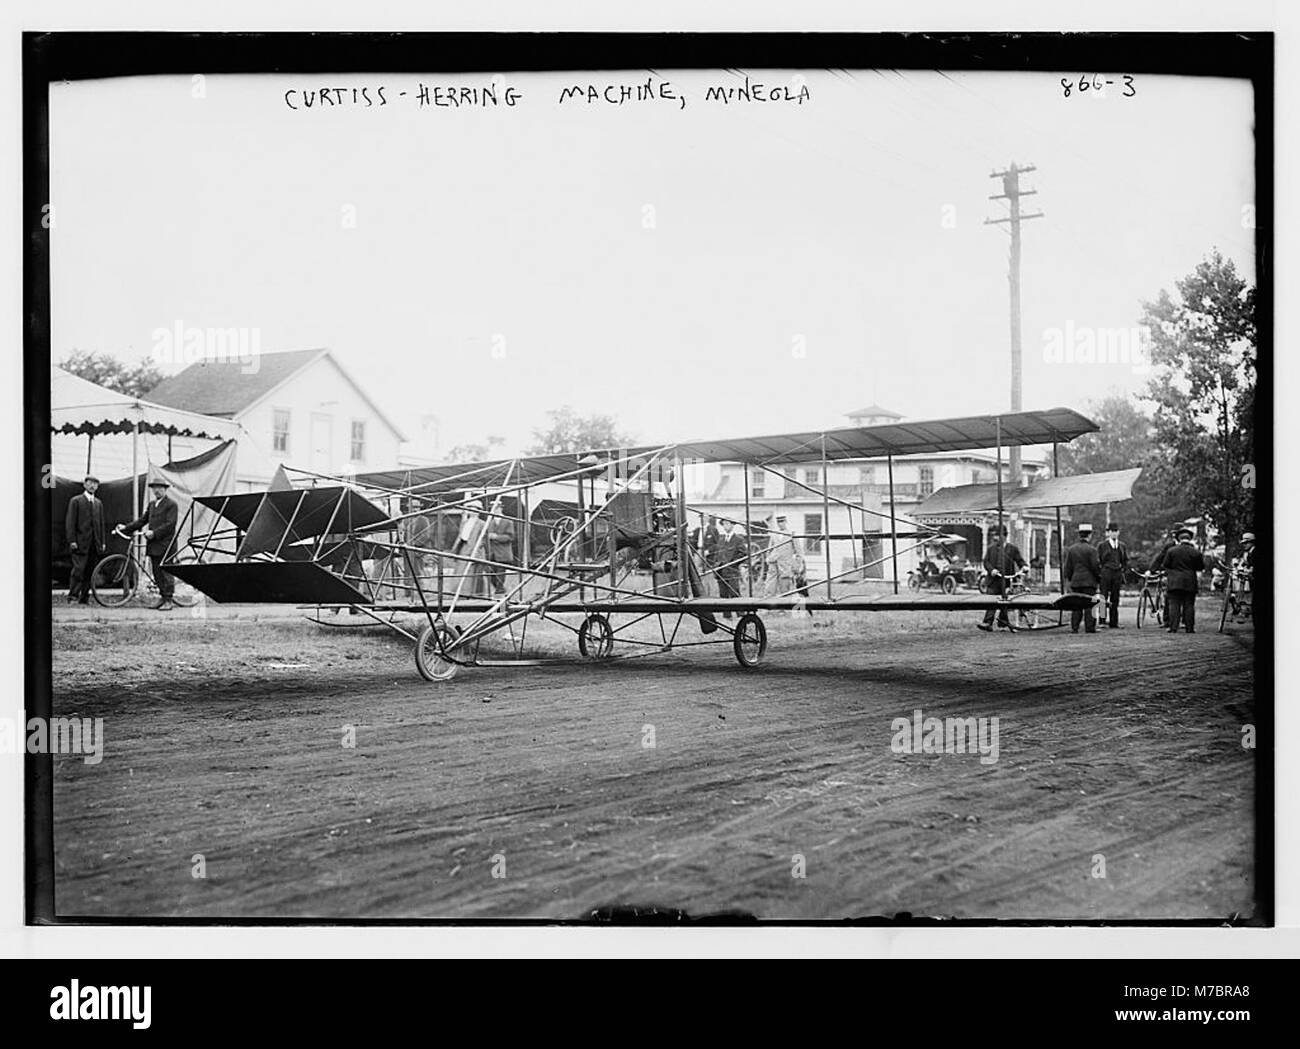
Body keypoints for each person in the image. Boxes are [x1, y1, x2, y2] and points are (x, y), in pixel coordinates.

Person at [118, 478, 179, 611]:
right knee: (156, 572)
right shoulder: (152, 505)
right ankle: (162, 597)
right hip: (154, 545)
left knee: (166, 572)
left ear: (165, 489)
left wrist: (154, 533)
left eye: (160, 488)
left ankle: (168, 600)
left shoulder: (171, 504)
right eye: (155, 488)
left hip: (166, 544)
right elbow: (141, 521)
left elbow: (170, 524)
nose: (157, 490)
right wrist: (126, 528)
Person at [1153, 526, 1204, 633]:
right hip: (1190, 581)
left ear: (1179, 539)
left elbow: (1166, 564)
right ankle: (1189, 628)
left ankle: (1173, 627)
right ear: (1189, 539)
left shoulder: (1172, 551)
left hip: (1175, 581)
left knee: (1174, 604)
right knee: (1189, 604)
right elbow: (1200, 567)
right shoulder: (1196, 552)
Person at [65, 475, 106, 604]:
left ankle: (84, 598)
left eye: (95, 484)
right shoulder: (76, 501)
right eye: (90, 483)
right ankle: (73, 596)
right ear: (84, 485)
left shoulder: (98, 503)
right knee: (78, 570)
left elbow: (101, 524)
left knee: (90, 572)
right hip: (80, 543)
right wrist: (72, 540)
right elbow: (70, 522)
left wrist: (102, 542)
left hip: (94, 544)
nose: (93, 486)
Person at [977, 524, 1025, 630]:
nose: (995, 538)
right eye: (995, 536)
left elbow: (1019, 560)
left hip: (1007, 579)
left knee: (1004, 602)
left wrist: (1025, 567)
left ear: (1004, 536)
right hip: (993, 580)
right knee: (991, 601)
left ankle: (1003, 623)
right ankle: (987, 623)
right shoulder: (991, 548)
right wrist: (991, 570)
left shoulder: (1013, 549)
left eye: (998, 536)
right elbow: (986, 562)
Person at [1062, 522, 1101, 633]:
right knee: (1090, 605)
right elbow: (1095, 567)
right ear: (1089, 535)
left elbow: (1068, 567)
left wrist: (1069, 579)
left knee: (1076, 606)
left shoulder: (1071, 549)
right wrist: (1098, 578)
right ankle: (1090, 627)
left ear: (1079, 535)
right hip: (1089, 582)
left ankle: (1075, 627)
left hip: (1076, 581)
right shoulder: (1092, 550)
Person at [1096, 522, 1129, 629]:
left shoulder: (1122, 546)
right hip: (1105, 573)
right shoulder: (1102, 545)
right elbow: (1099, 560)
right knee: (1103, 597)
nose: (1114, 534)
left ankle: (1114, 622)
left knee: (1115, 598)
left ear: (1118, 533)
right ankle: (1102, 621)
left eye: (1116, 531)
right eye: (1112, 532)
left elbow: (1125, 560)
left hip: (1117, 574)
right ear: (1108, 533)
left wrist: (1122, 569)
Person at [713, 517, 747, 619]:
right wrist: (716, 564)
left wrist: (732, 563)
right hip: (721, 571)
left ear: (732, 525)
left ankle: (740, 615)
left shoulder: (738, 539)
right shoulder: (721, 539)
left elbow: (743, 554)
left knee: (734, 592)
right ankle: (727, 616)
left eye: (728, 524)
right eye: (724, 524)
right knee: (723, 594)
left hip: (732, 571)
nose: (725, 526)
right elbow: (717, 554)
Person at [764, 515, 796, 601]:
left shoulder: (791, 534)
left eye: (782, 522)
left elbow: (799, 552)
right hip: (773, 562)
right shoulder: (774, 534)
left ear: (786, 522)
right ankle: (768, 606)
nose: (780, 524)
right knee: (770, 585)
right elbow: (769, 548)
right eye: (778, 522)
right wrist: (768, 558)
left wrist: (796, 565)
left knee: (785, 587)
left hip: (785, 564)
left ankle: (784, 608)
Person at [485, 511, 516, 596]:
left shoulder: (508, 522)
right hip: (492, 553)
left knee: (500, 574)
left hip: (503, 553)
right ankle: (501, 590)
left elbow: (510, 537)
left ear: (501, 508)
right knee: (491, 575)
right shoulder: (490, 522)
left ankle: (499, 593)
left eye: (497, 507)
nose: (495, 510)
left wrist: (496, 537)